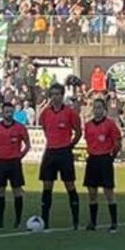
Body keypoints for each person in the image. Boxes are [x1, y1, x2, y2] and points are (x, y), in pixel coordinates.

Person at [35, 84, 83, 231]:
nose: (55, 97)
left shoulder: (70, 113)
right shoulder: (45, 113)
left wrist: (70, 145)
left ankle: (76, 220)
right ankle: (45, 221)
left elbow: (78, 132)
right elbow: (44, 128)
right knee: (47, 186)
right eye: (52, 94)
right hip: (50, 151)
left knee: (70, 185)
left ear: (62, 96)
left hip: (64, 152)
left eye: (57, 94)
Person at [82, 95, 122, 231]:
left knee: (108, 191)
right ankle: (93, 222)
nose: (96, 110)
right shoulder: (88, 125)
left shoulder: (110, 124)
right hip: (92, 159)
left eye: (99, 107)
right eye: (95, 108)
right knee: (92, 192)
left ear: (104, 109)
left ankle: (114, 223)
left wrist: (112, 156)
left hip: (105, 159)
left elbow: (117, 142)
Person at [0, 103, 31, 228]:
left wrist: (20, 155)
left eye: (11, 111)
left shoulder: (20, 127)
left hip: (14, 163)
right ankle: (0, 220)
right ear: (2, 113)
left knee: (17, 191)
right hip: (1, 162)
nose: (9, 114)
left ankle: (17, 221)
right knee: (0, 191)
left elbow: (27, 144)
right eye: (6, 111)